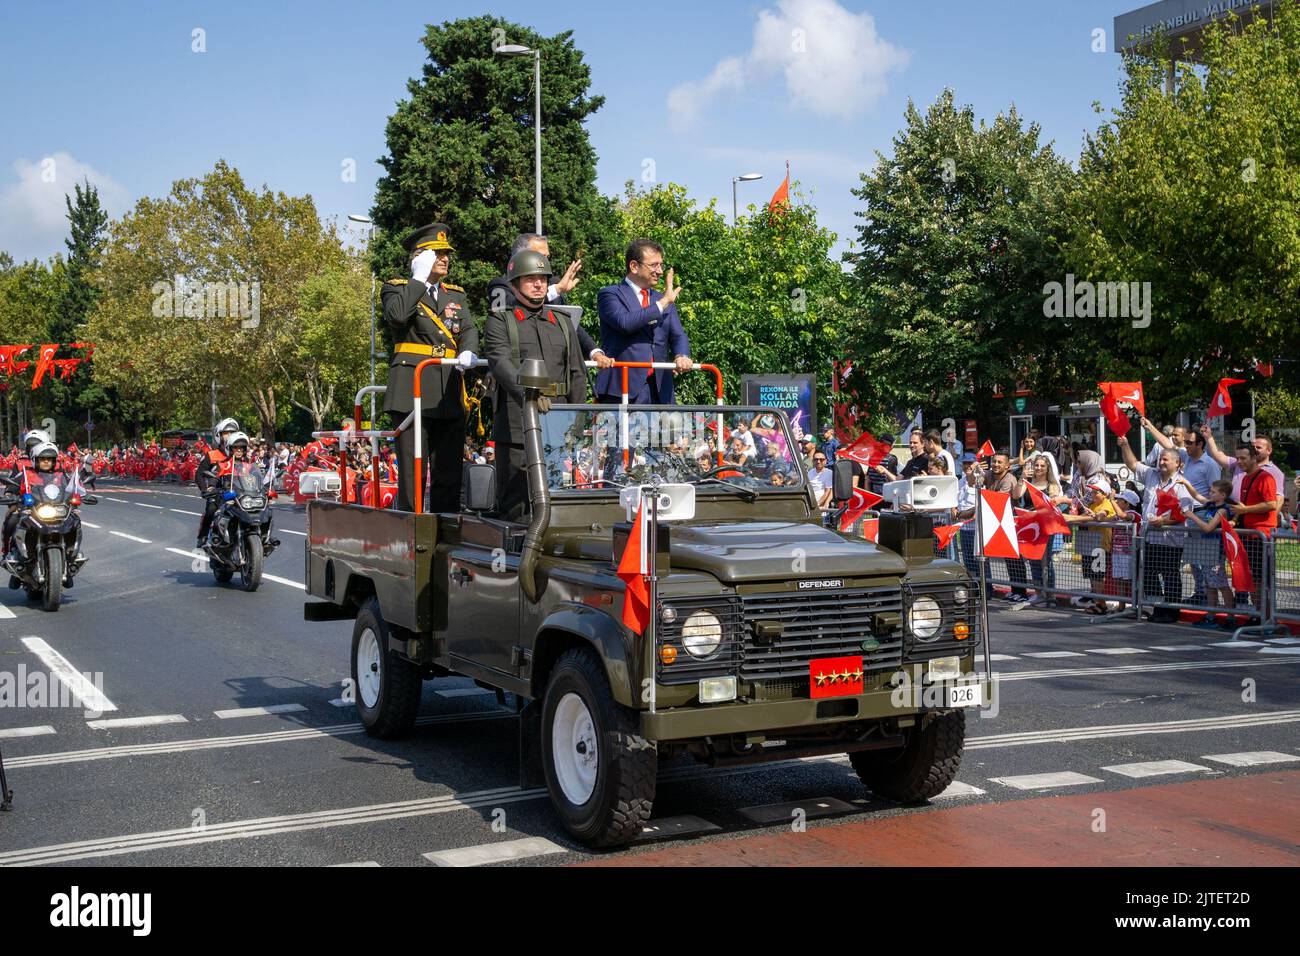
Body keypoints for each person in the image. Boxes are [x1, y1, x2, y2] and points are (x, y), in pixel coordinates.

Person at [381, 222, 479, 513]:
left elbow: (468, 328)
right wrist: (418, 279)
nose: (445, 258)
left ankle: (445, 528)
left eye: (446, 253)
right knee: (414, 469)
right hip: (412, 388)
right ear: (419, 257)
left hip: (447, 389)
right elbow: (398, 317)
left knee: (448, 469)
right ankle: (412, 528)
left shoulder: (455, 296)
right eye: (437, 253)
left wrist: (469, 350)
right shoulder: (396, 289)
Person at [483, 248, 587, 520]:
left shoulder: (562, 322)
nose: (539, 284)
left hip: (557, 424)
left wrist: (577, 418)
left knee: (558, 501)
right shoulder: (500, 321)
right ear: (515, 283)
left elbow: (577, 373)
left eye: (543, 278)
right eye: (531, 278)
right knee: (516, 505)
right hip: (517, 424)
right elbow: (501, 363)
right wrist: (528, 395)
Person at [485, 233, 614, 370]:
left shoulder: (552, 284)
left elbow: (569, 323)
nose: (545, 261)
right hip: (516, 369)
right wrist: (555, 290)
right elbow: (506, 312)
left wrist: (594, 352)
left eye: (547, 257)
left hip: (553, 371)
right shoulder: (501, 285)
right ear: (521, 257)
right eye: (541, 256)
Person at [595, 239, 691, 405]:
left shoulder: (662, 299)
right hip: (622, 389)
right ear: (634, 266)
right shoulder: (610, 294)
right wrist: (662, 304)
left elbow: (678, 335)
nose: (660, 271)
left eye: (661, 265)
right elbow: (625, 323)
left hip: (661, 390)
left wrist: (681, 355)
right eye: (654, 265)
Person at [1116, 435, 1195, 623]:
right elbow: (1133, 464)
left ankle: (1171, 611)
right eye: (1160, 459)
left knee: (1170, 574)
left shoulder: (1181, 483)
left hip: (1171, 538)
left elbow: (1185, 510)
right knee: (1149, 572)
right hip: (1149, 537)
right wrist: (1125, 445)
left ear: (1178, 463)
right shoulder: (1151, 474)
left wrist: (1165, 521)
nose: (1161, 462)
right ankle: (1157, 607)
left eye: (1165, 459)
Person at [1185, 479, 1238, 628]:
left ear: (1222, 495)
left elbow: (1209, 528)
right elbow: (1197, 496)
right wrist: (1187, 483)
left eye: (1213, 492)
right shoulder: (1211, 505)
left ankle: (1230, 617)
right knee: (1209, 584)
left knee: (1221, 584)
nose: (1210, 494)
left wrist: (1192, 516)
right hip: (1207, 548)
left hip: (1217, 550)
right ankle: (1211, 615)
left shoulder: (1222, 510)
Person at [194, 419, 240, 547]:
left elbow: (251, 472)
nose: (230, 435)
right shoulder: (211, 455)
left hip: (239, 492)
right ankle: (203, 536)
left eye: (233, 432)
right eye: (226, 433)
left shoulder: (241, 454)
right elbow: (199, 474)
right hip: (217, 492)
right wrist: (205, 489)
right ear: (218, 435)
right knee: (211, 510)